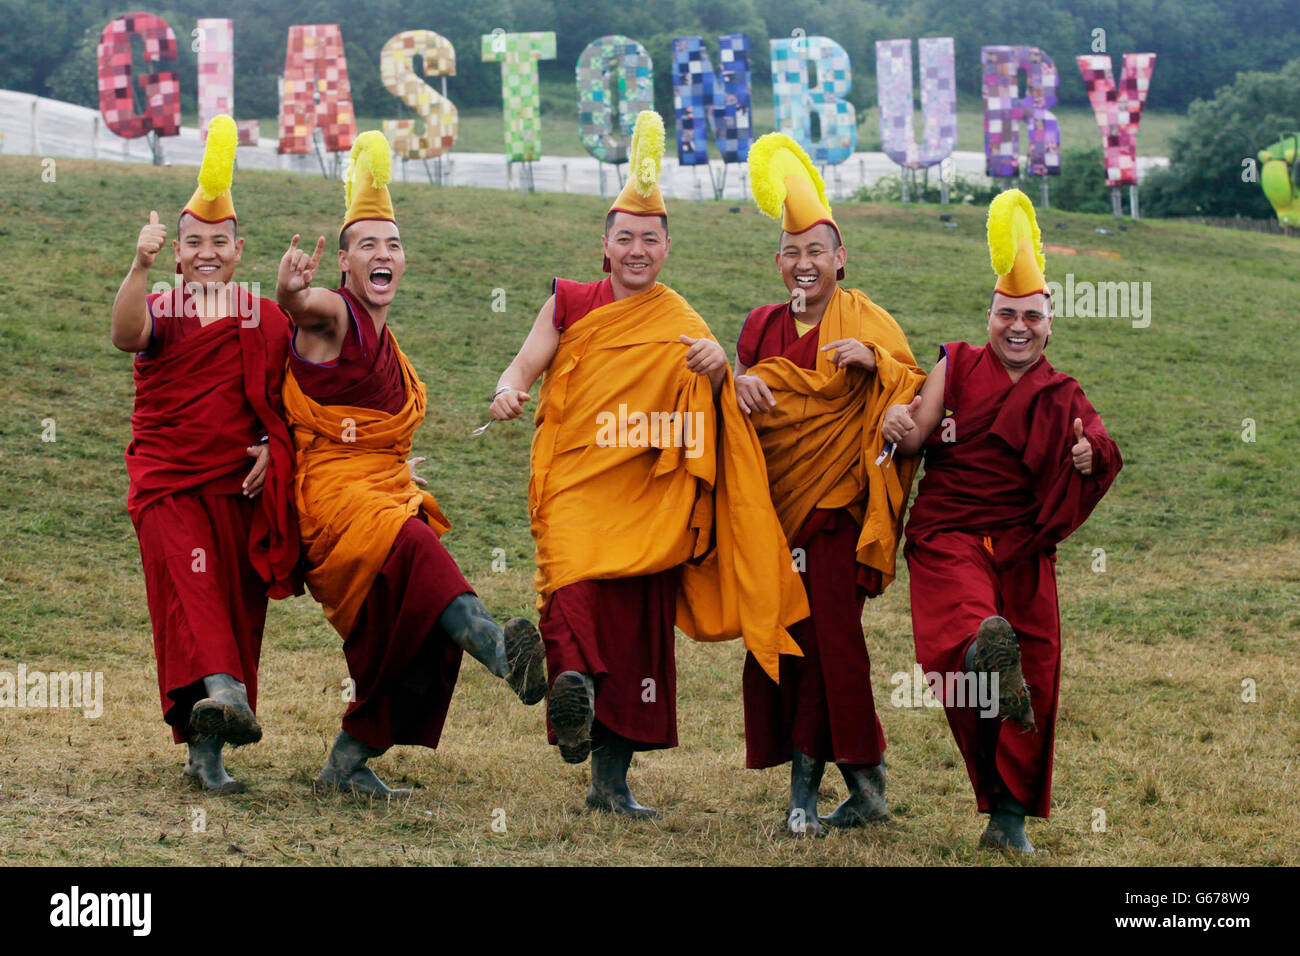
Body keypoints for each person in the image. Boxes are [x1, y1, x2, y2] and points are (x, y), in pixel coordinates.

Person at [489, 111, 807, 818]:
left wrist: (721, 367)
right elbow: (524, 363)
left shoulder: (680, 318)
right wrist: (509, 389)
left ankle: (610, 781)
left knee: (633, 633)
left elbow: (719, 398)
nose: (637, 250)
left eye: (650, 239)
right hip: (576, 484)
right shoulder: (571, 301)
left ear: (666, 247)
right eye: (625, 238)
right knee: (570, 591)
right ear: (605, 246)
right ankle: (571, 696)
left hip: (648, 499)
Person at [275, 131, 547, 799]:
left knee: (415, 633)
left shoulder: (386, 339)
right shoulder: (336, 313)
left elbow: (369, 430)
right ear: (343, 261)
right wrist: (290, 292)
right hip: (336, 501)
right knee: (422, 553)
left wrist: (394, 463)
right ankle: (502, 652)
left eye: (392, 244)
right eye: (367, 244)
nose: (382, 253)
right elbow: (302, 310)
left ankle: (345, 765)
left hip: (378, 488)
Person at [883, 188, 1122, 852]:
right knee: (969, 636)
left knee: (1034, 672)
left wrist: (1086, 453)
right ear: (987, 315)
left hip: (1022, 547)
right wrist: (897, 423)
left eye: (1032, 317)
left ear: (1051, 324)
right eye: (1006, 314)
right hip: (951, 532)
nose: (1018, 327)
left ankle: (1008, 818)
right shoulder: (955, 365)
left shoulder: (1062, 392)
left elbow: (1102, 448)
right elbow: (914, 436)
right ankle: (979, 655)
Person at [734, 133, 926, 836]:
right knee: (788, 641)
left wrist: (876, 362)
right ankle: (867, 789)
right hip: (774, 520)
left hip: (839, 515)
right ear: (778, 261)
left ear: (840, 257)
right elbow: (739, 416)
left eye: (818, 250)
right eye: (793, 251)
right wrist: (741, 382)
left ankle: (804, 797)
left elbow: (916, 394)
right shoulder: (759, 325)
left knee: (830, 643)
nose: (806, 262)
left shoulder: (868, 320)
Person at [111, 115, 300, 794]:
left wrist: (274, 450)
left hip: (238, 489)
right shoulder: (162, 305)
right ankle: (230, 693)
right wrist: (139, 263)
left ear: (238, 247)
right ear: (179, 251)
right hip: (167, 481)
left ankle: (205, 760)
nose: (207, 253)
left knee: (231, 609)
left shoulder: (262, 316)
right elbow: (124, 335)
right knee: (190, 602)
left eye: (219, 242)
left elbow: (294, 401)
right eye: (194, 243)